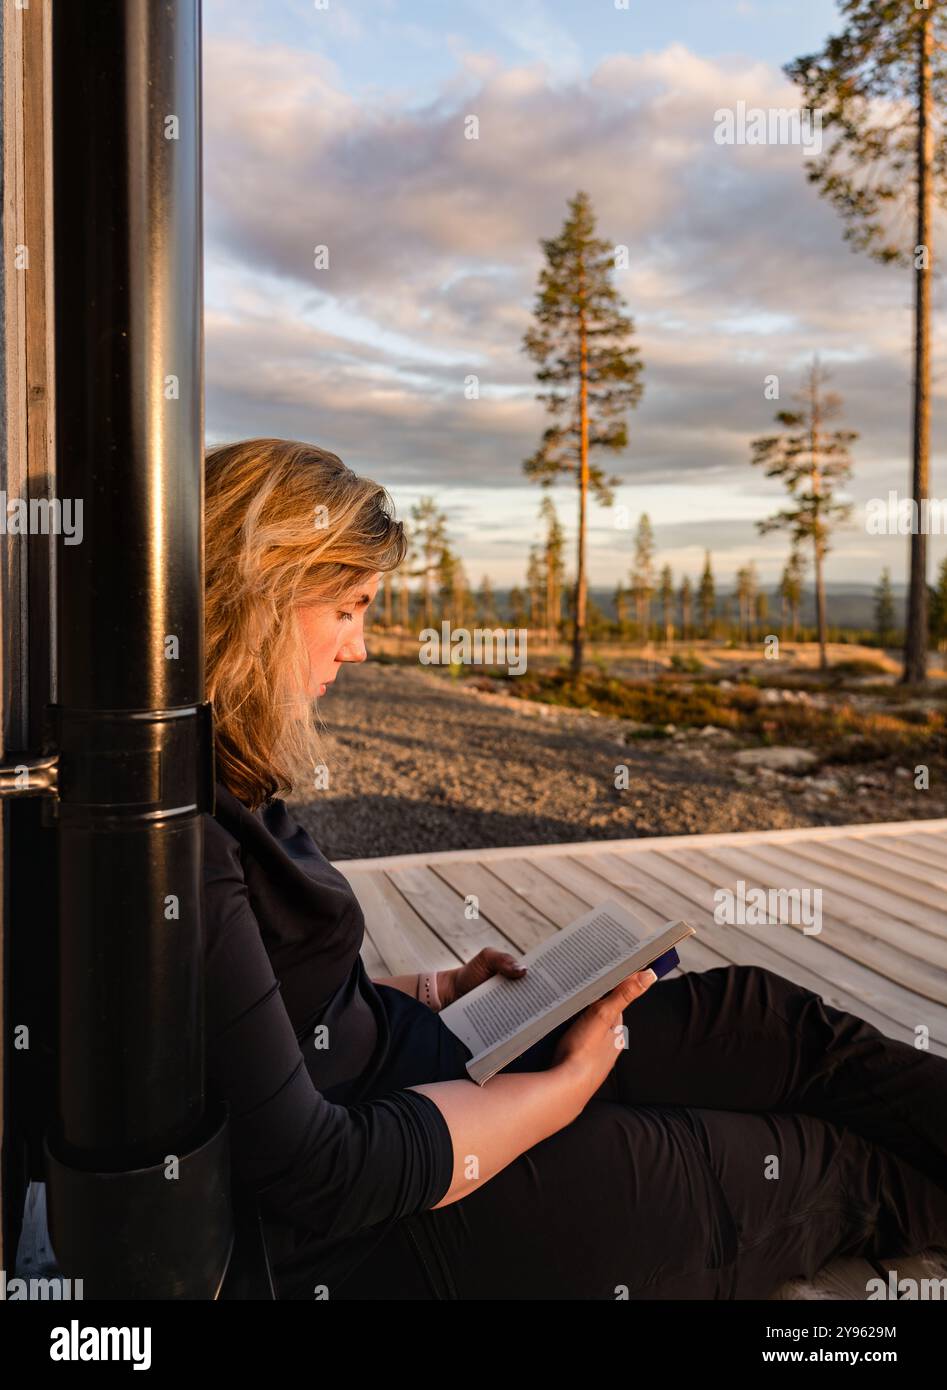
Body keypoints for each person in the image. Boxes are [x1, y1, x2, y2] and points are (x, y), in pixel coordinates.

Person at [203, 437, 947, 1301]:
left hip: (425, 1059)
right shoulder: (177, 838)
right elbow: (317, 1171)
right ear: (260, 598)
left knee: (765, 1018)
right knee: (820, 1168)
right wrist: (566, 1089)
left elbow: (274, 1012)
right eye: (350, 609)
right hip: (371, 1215)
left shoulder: (224, 775)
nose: (359, 647)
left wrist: (436, 989)